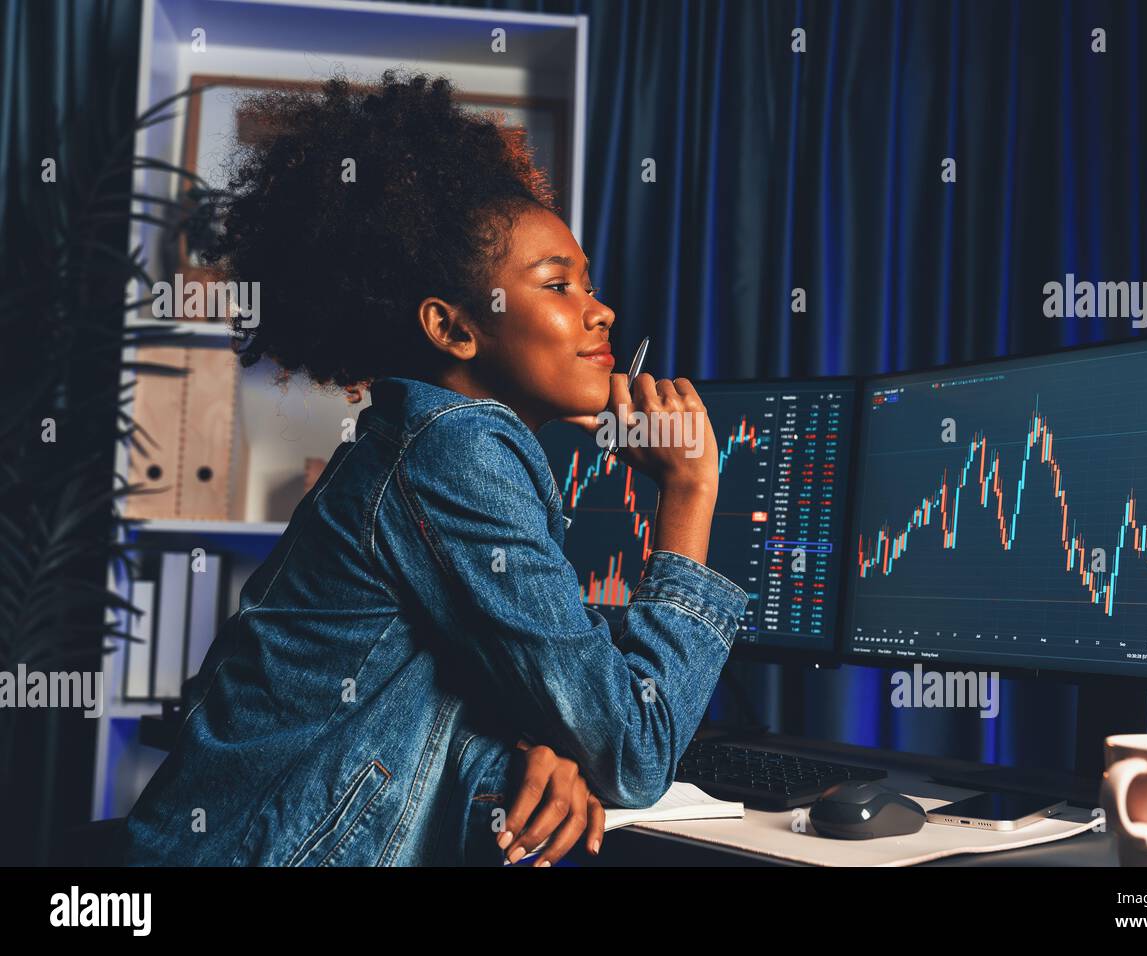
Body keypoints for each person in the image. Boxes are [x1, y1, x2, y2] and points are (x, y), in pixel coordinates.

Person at [122, 70, 749, 866]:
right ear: (454, 330)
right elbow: (634, 748)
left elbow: (424, 703)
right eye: (558, 284)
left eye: (589, 284)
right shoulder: (454, 453)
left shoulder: (427, 445)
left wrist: (538, 744)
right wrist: (691, 492)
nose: (602, 311)